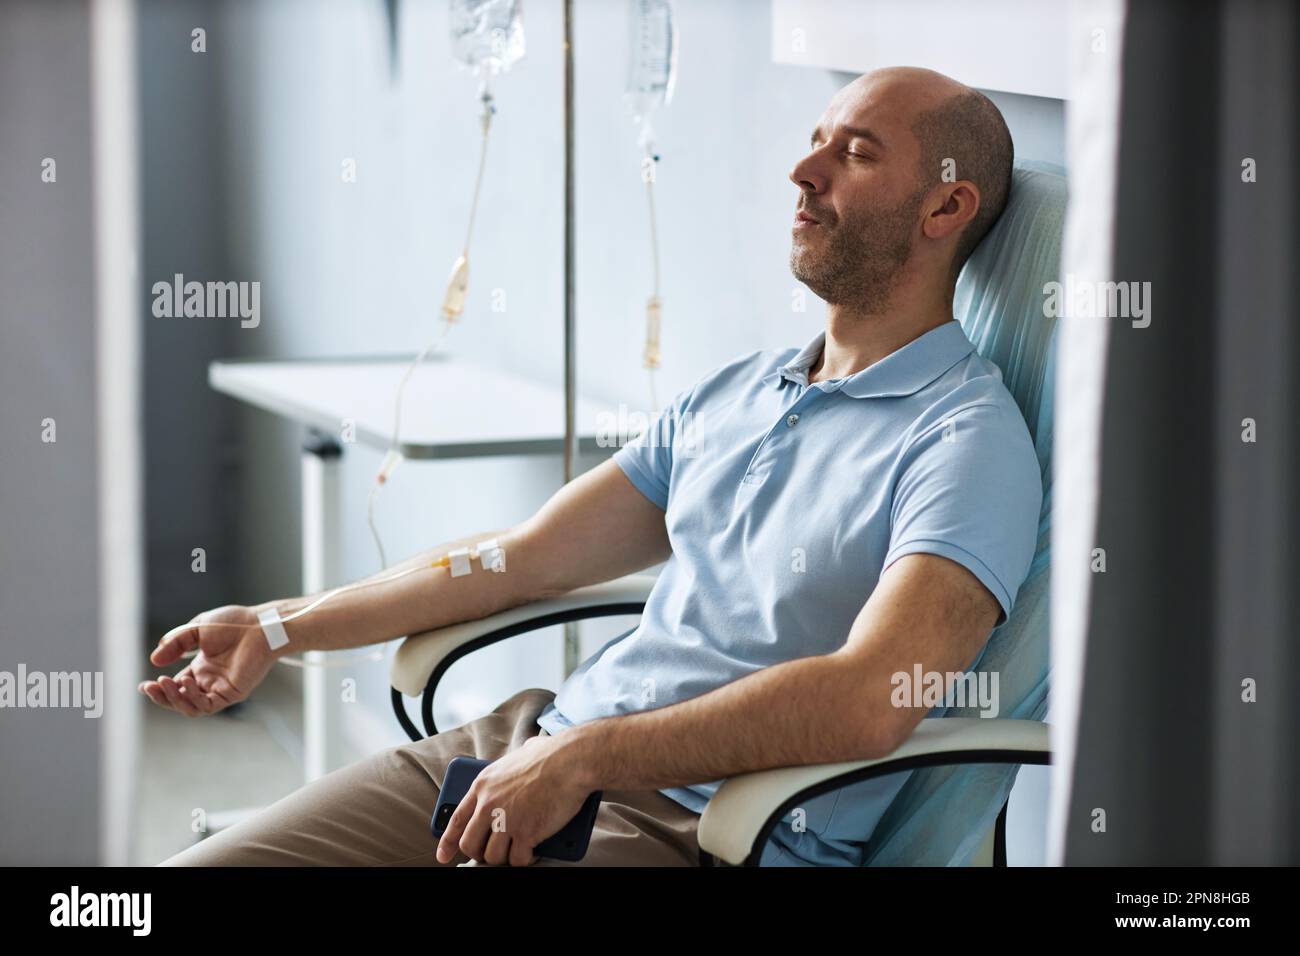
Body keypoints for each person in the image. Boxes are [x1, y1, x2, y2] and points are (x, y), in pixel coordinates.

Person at [145, 66, 1040, 867]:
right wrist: (277, 628)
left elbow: (872, 698)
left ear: (945, 208)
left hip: (701, 825)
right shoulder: (740, 389)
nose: (805, 174)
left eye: (856, 154)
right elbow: (522, 557)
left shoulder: (965, 439)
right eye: (815, 146)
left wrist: (589, 758)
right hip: (529, 747)